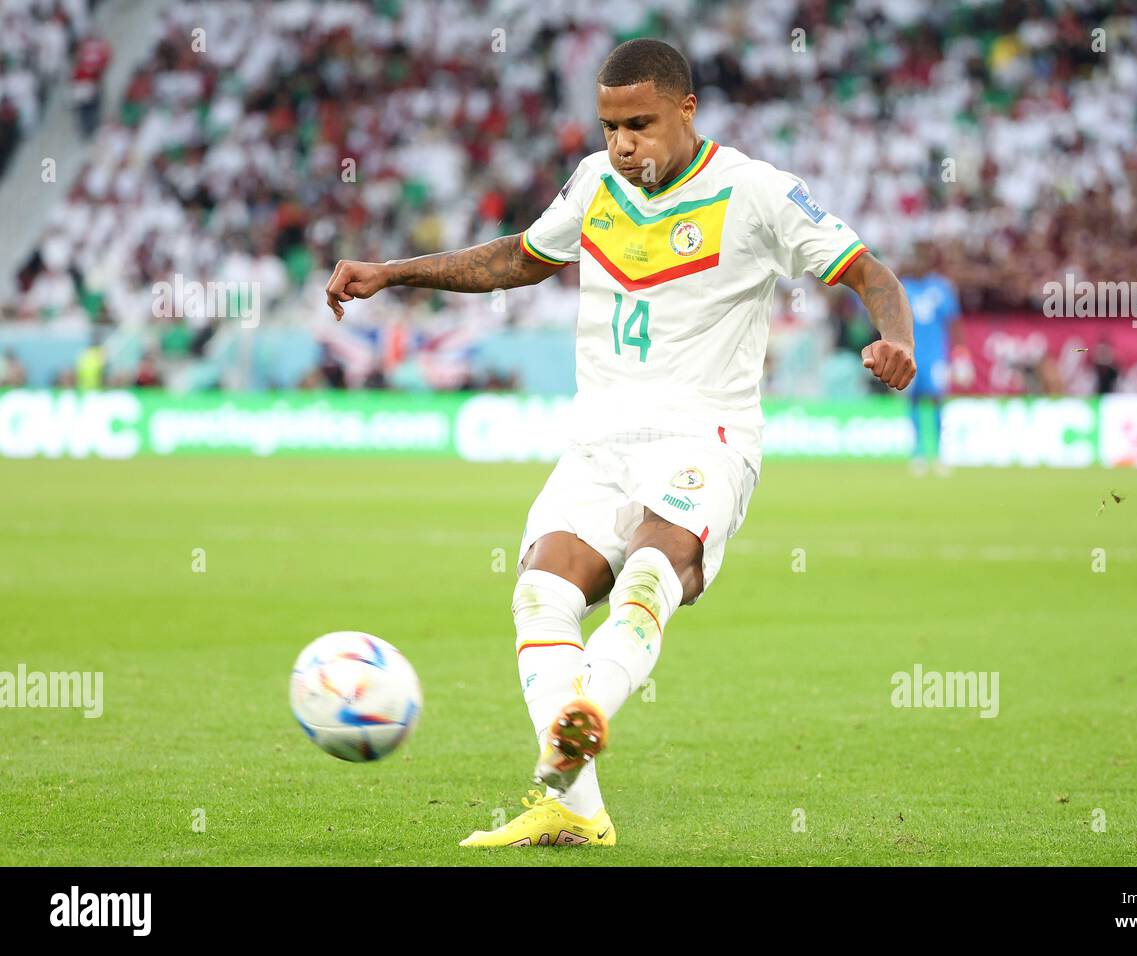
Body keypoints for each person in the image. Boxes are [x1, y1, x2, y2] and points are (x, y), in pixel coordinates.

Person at [325, 38, 915, 847]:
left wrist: (895, 340)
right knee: (540, 589)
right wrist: (393, 271)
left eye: (639, 123)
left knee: (651, 564)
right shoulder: (597, 183)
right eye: (609, 126)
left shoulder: (755, 192)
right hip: (599, 440)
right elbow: (517, 260)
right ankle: (577, 804)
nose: (623, 142)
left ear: (686, 110)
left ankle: (588, 709)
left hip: (704, 434)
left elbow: (869, 274)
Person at [899, 243, 963, 474]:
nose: (918, 263)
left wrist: (959, 354)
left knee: (936, 401)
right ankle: (918, 453)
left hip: (936, 357)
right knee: (913, 401)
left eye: (922, 258)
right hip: (909, 357)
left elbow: (953, 323)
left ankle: (938, 454)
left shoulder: (941, 287)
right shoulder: (903, 287)